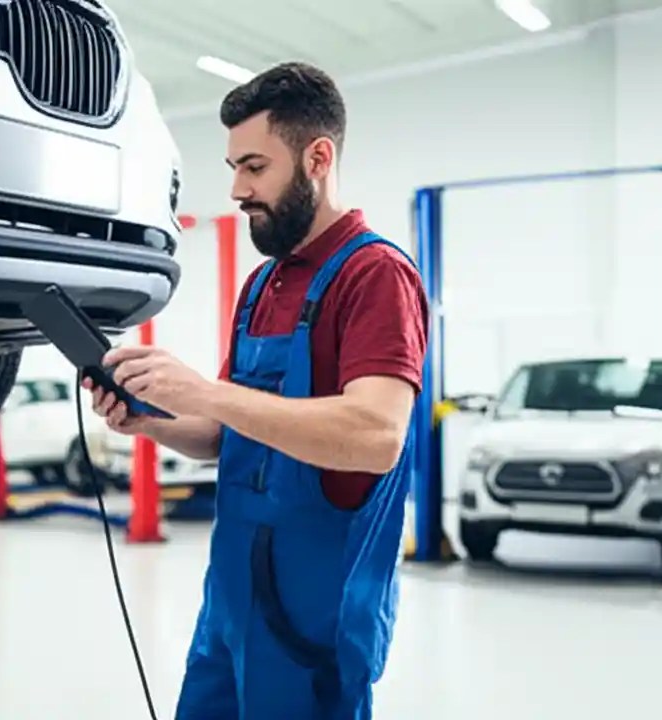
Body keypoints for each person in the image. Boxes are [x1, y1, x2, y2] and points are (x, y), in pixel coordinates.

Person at [83, 61, 429, 719]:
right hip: (231, 604)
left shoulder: (375, 276)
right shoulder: (263, 284)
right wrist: (149, 420)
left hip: (313, 624)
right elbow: (227, 436)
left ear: (318, 158)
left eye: (255, 167)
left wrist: (206, 393)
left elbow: (376, 435)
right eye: (234, 167)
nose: (237, 189)